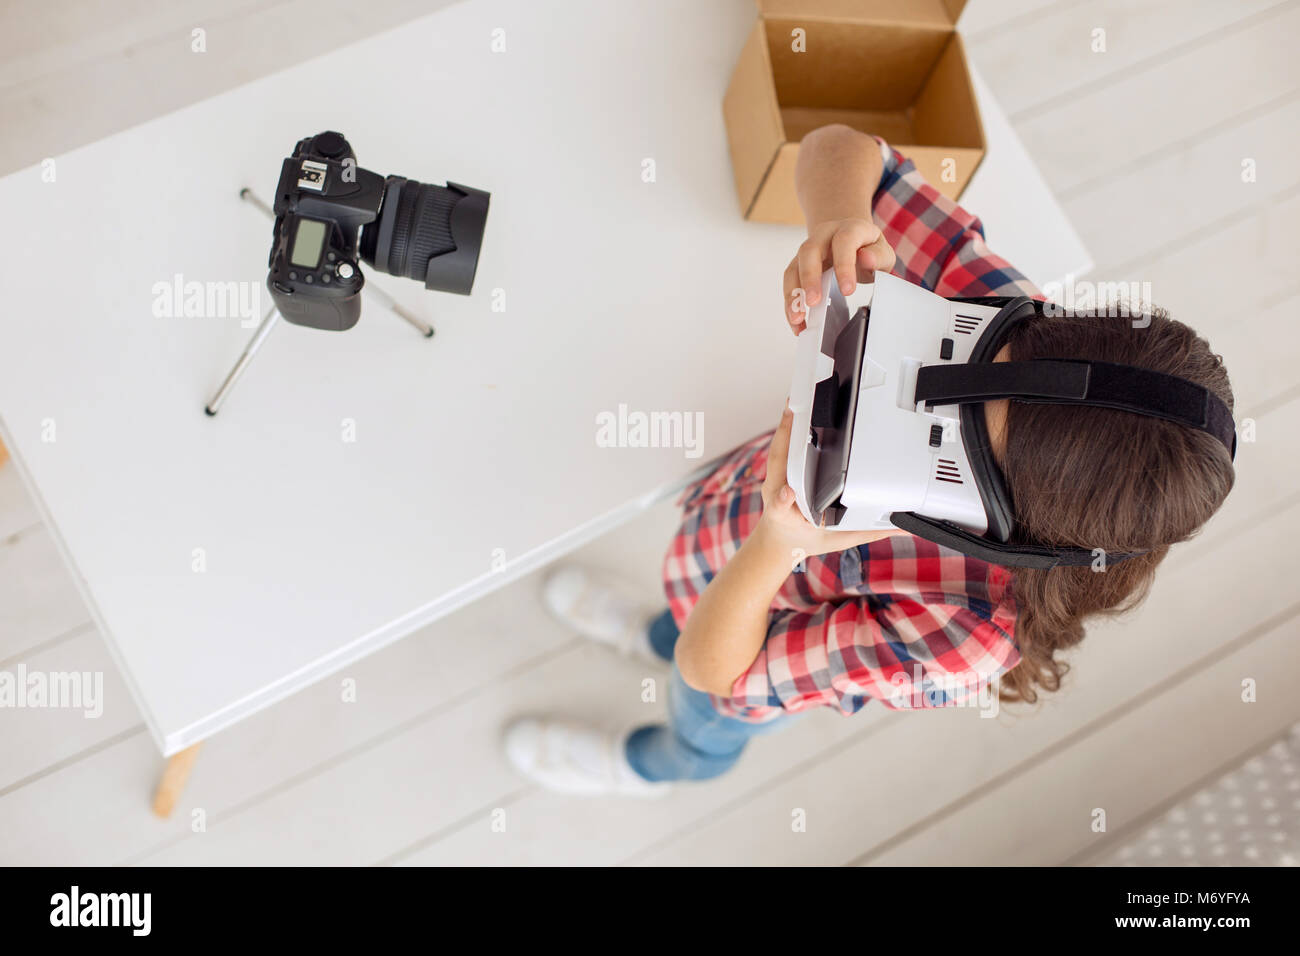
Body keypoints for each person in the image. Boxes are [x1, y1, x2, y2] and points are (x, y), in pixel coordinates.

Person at [503, 125, 1237, 795]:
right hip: (708, 541)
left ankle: (643, 769)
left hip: (741, 629)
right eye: (973, 356)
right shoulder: (997, 309)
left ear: (1030, 533)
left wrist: (776, 544)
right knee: (676, 615)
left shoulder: (967, 632)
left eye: (955, 443)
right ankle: (650, 629)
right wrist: (838, 220)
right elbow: (847, 148)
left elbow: (716, 673)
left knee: (694, 728)